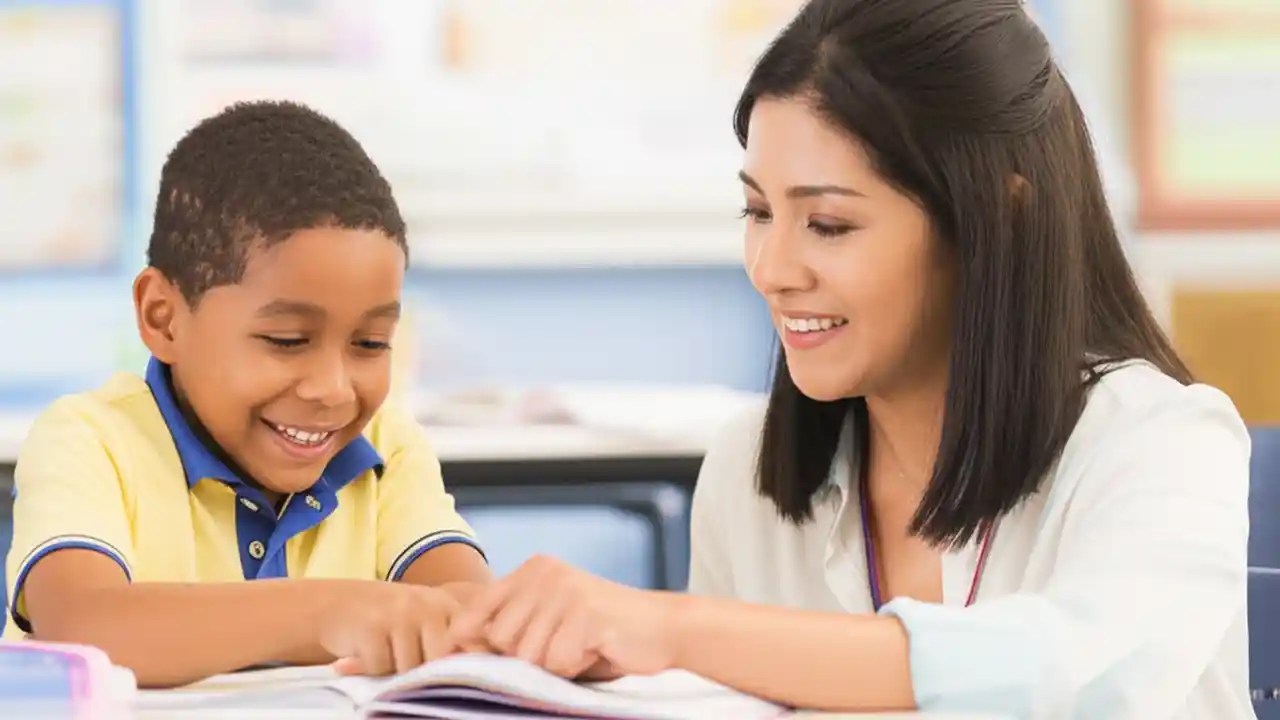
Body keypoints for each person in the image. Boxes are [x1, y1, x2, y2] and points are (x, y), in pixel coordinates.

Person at [448, 1, 1252, 717]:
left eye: (828, 224)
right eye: (758, 211)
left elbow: (1085, 675)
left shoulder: (1161, 442)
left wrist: (675, 629)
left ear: (996, 218)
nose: (771, 268)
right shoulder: (747, 473)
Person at [4, 101, 491, 687]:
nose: (332, 391)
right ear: (164, 318)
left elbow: (470, 614)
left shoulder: (388, 450)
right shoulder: (90, 441)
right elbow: (83, 629)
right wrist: (327, 612)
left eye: (369, 342)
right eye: (287, 340)